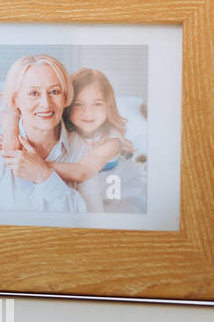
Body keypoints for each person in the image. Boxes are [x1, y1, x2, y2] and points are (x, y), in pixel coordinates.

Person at [0, 54, 89, 212]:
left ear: (65, 97)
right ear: (15, 101)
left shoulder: (82, 149)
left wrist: (43, 175)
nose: (46, 104)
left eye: (54, 92)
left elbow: (90, 221)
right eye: (33, 93)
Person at [50, 67, 145, 213]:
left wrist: (39, 165)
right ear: (67, 106)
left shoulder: (112, 140)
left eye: (97, 103)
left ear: (109, 106)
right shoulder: (67, 131)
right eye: (78, 104)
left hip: (112, 194)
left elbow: (83, 171)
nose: (88, 112)